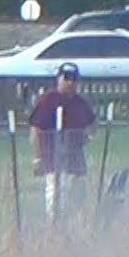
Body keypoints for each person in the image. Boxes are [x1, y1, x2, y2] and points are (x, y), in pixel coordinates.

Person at [30, 62, 96, 222]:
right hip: (52, 157)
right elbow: (35, 130)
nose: (70, 83)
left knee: (77, 194)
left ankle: (73, 225)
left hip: (75, 159)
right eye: (66, 78)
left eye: (74, 79)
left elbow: (93, 123)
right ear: (59, 78)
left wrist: (87, 136)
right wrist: (38, 157)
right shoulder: (48, 100)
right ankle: (53, 226)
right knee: (55, 193)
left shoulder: (80, 103)